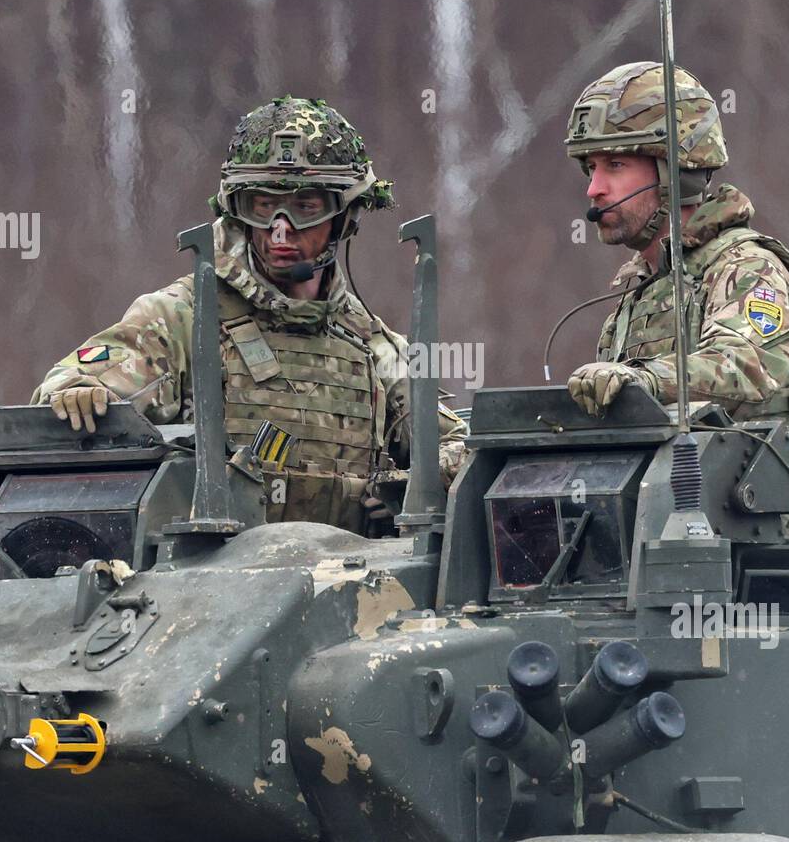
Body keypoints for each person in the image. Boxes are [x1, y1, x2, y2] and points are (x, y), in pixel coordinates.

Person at [32, 97, 466, 532]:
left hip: (347, 585)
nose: (281, 228)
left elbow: (459, 446)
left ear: (344, 218)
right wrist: (76, 392)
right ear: (239, 211)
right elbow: (69, 393)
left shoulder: (373, 345)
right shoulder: (186, 318)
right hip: (213, 583)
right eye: (263, 206)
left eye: (305, 208)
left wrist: (415, 484)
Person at [564, 61, 789, 533]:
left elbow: (744, 366)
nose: (594, 189)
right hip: (654, 533)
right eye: (591, 168)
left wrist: (641, 380)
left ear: (678, 172)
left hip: (749, 544)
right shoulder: (644, 289)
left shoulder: (748, 268)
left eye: (615, 165)